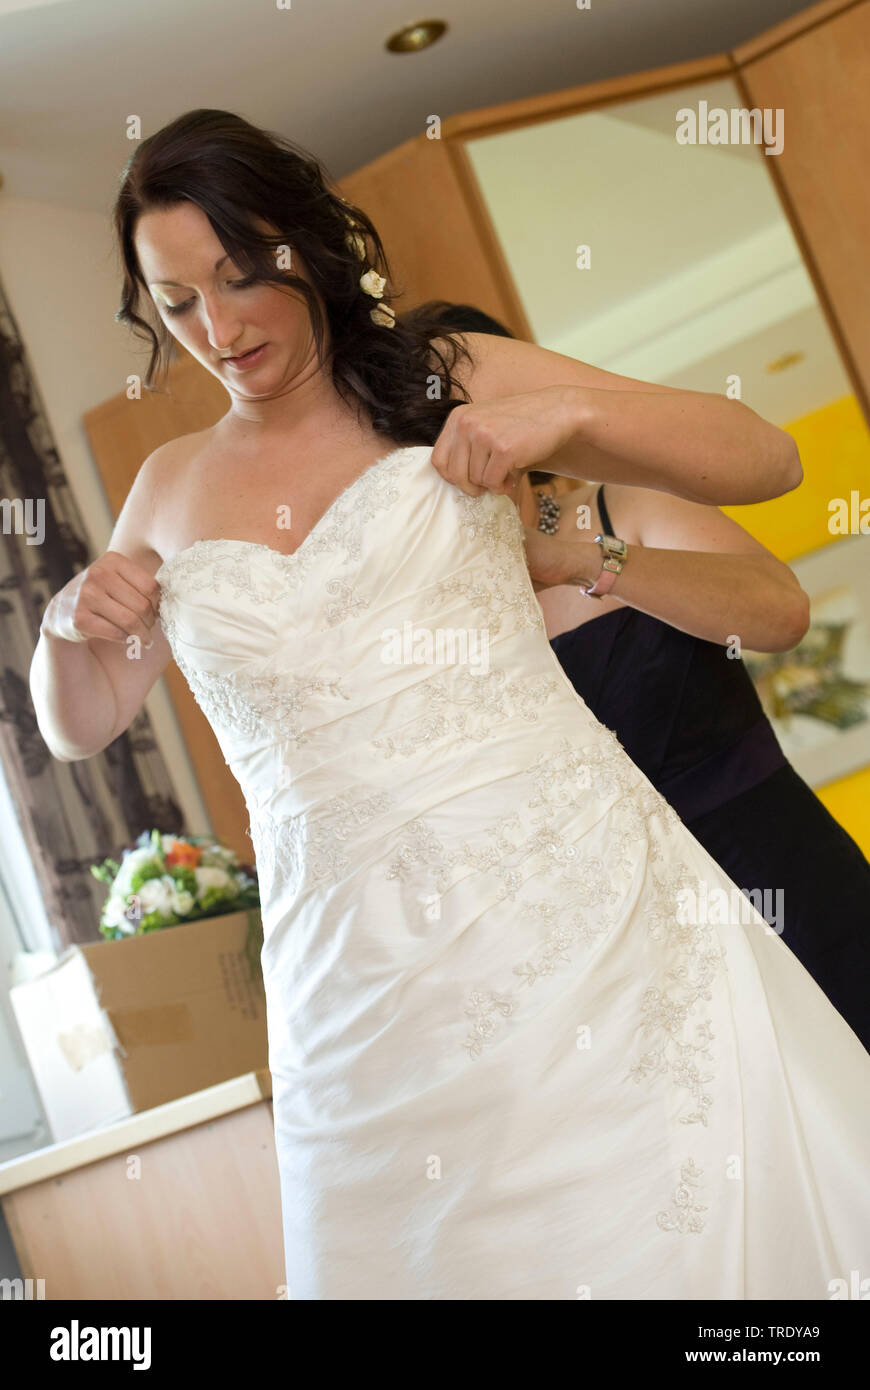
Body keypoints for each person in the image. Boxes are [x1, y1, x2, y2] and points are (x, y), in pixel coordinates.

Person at [30, 109, 870, 1300]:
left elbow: (767, 458)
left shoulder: (440, 377)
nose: (217, 331)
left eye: (242, 276)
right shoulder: (167, 488)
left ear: (305, 245)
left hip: (583, 916)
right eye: (175, 305)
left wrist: (564, 418)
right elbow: (79, 724)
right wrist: (65, 628)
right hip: (353, 991)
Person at [406, 302, 870, 1054]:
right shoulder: (433, 618)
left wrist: (588, 563)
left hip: (783, 877)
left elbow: (781, 613)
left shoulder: (621, 510)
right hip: (624, 956)